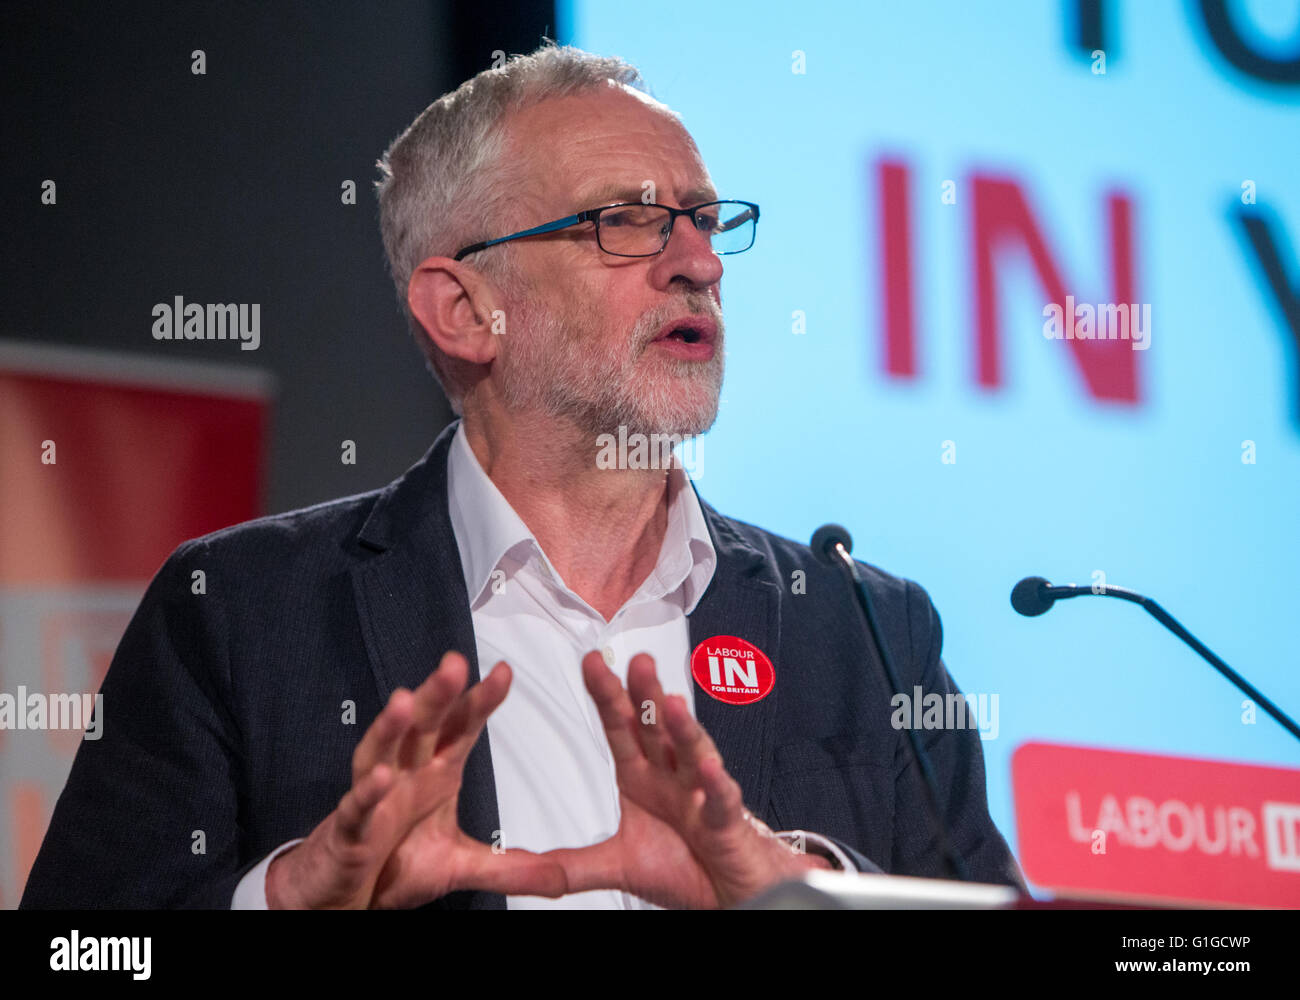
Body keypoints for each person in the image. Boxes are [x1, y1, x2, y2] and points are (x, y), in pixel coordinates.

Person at [20, 42, 1023, 910]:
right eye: (626, 222)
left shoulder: (864, 633)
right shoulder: (243, 616)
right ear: (463, 309)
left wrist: (786, 884)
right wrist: (292, 894)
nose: (699, 265)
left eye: (705, 220)